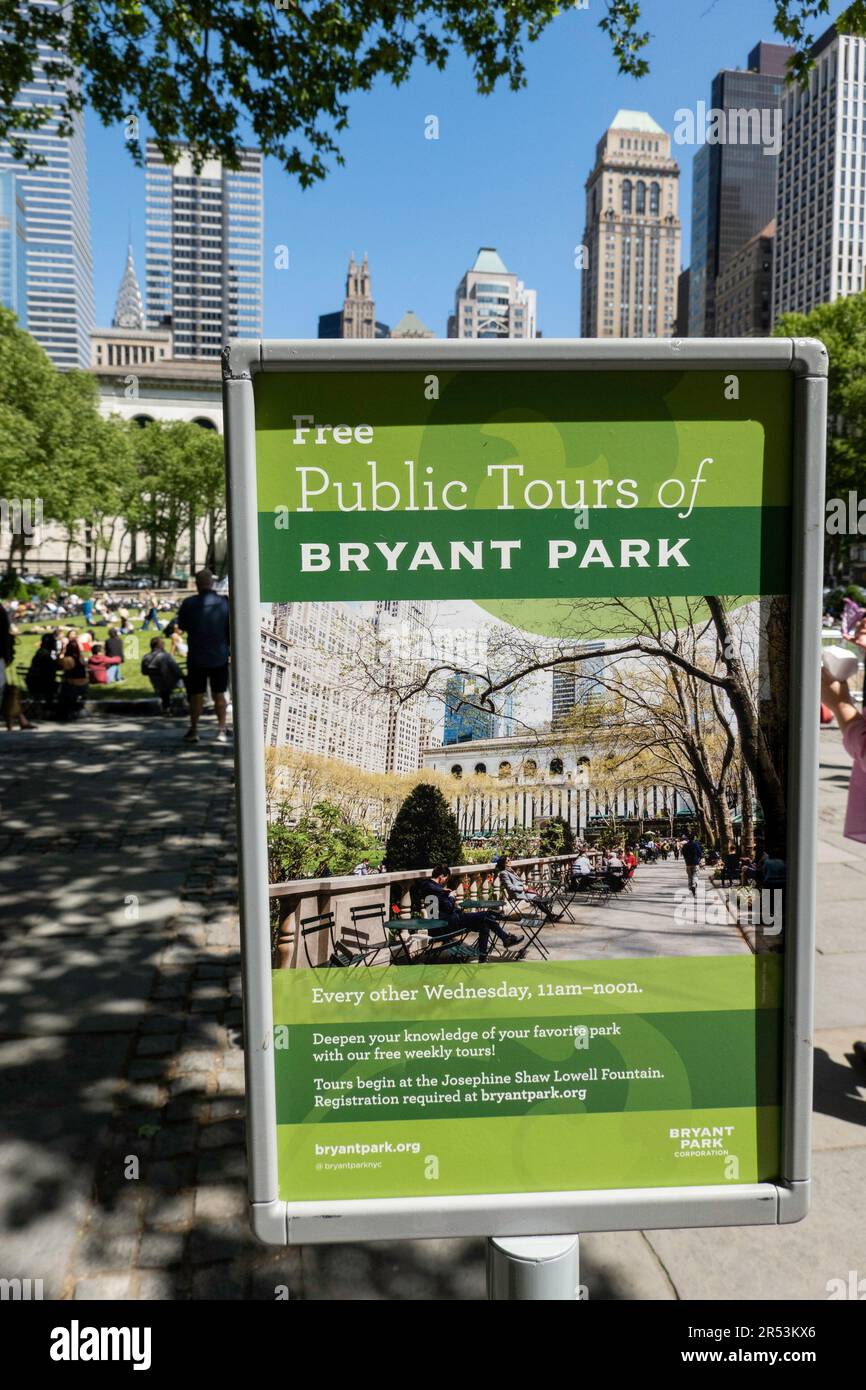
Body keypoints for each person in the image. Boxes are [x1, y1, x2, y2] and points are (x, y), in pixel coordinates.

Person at [419, 865, 522, 961]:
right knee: (487, 915)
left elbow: (440, 907)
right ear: (441, 876)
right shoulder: (440, 891)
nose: (445, 881)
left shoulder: (427, 887)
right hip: (449, 924)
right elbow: (449, 907)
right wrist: (451, 896)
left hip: (439, 925)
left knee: (484, 923)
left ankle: (484, 955)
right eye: (445, 879)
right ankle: (504, 937)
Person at [176, 569, 230, 744]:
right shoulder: (224, 603)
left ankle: (194, 730)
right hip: (219, 655)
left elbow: (182, 626)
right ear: (212, 583)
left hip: (197, 656)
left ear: (197, 584)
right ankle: (221, 729)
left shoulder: (189, 603)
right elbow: (230, 629)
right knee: (219, 694)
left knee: (196, 695)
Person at [141, 636, 184, 715]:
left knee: (164, 689)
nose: (164, 644)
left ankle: (166, 707)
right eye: (162, 643)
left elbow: (144, 672)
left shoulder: (145, 657)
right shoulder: (165, 656)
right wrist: (183, 676)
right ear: (158, 645)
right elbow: (177, 670)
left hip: (156, 682)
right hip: (170, 682)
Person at [57, 637, 88, 720]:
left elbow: (58, 663)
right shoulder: (81, 659)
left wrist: (61, 652)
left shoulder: (68, 660)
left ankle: (64, 712)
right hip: (83, 686)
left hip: (72, 687)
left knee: (63, 686)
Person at [27, 634, 58, 708]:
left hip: (33, 682)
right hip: (40, 684)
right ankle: (50, 708)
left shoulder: (40, 652)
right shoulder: (46, 655)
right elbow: (51, 673)